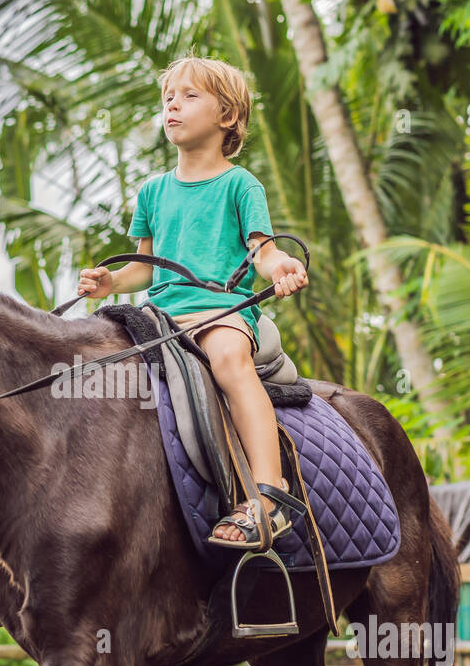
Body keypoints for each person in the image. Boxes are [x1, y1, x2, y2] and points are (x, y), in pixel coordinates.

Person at [77, 56, 308, 549]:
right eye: (168, 98)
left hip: (219, 312)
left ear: (228, 116)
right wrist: (109, 283)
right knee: (90, 369)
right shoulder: (153, 191)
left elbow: (262, 254)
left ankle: (270, 498)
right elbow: (144, 268)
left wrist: (281, 267)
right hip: (157, 317)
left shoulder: (240, 184)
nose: (173, 105)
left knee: (228, 359)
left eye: (188, 96)